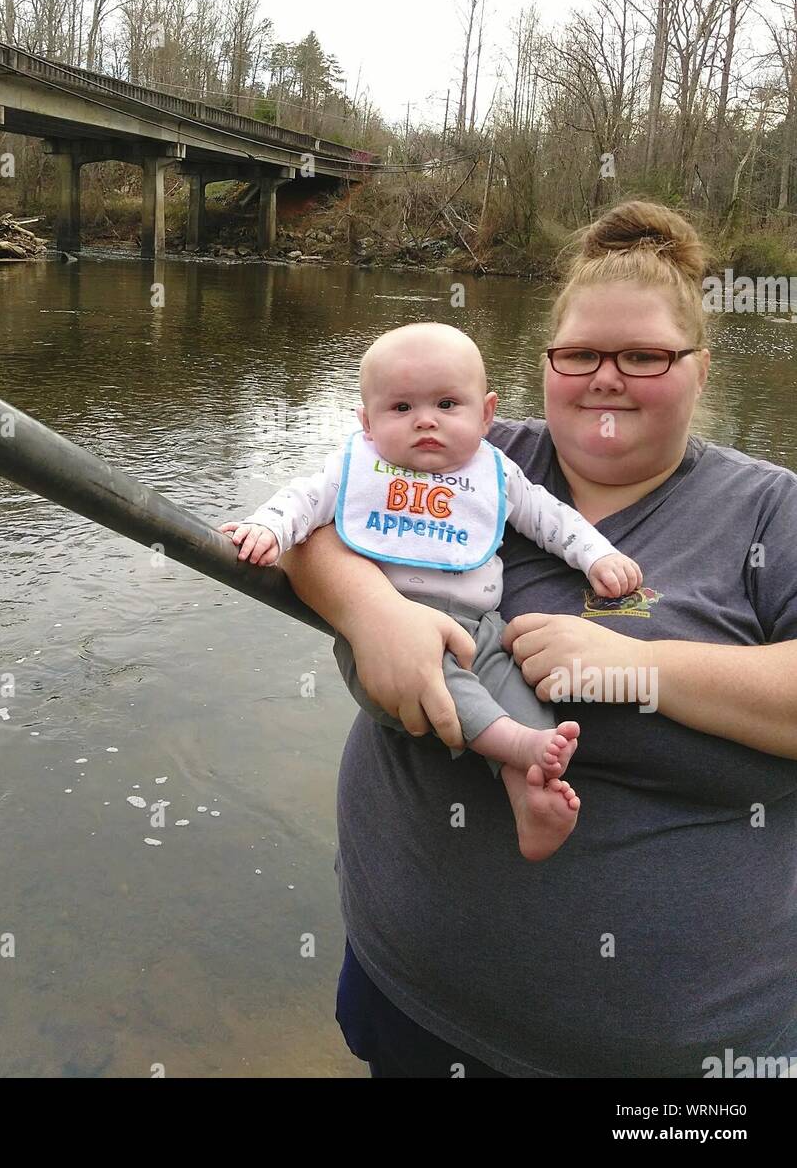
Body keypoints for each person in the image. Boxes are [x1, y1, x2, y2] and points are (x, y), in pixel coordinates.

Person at [278, 201, 797, 1079]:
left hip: (676, 1062)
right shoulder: (471, 456)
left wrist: (644, 668)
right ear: (545, 363)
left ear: (701, 370)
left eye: (644, 356)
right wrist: (373, 611)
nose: (606, 379)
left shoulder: (768, 512)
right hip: (411, 997)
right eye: (579, 355)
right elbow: (312, 520)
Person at [219, 322, 643, 860]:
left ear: (486, 414)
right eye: (400, 409)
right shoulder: (358, 466)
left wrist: (598, 555)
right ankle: (514, 745)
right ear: (366, 422)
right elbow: (306, 502)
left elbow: (547, 515)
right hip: (384, 635)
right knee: (450, 686)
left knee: (518, 690)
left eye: (447, 404)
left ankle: (525, 795)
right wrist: (268, 528)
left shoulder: (495, 471)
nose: (425, 420)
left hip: (479, 628)